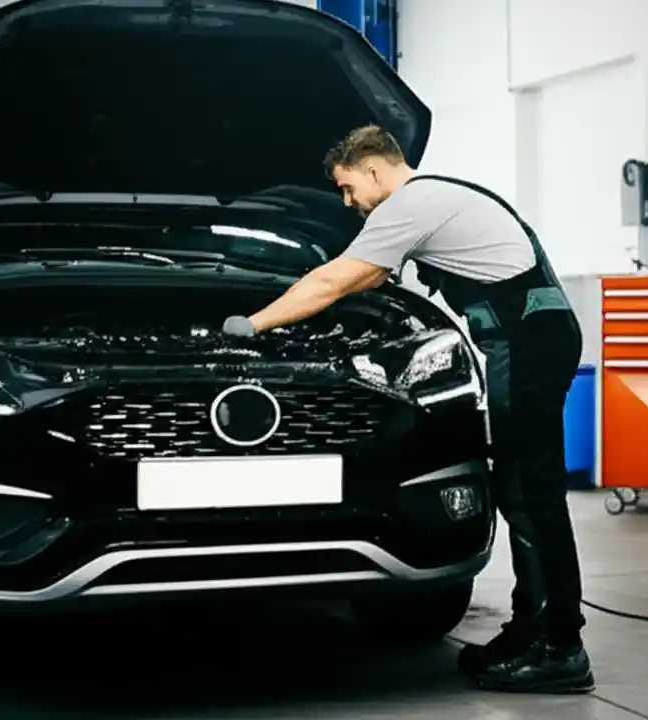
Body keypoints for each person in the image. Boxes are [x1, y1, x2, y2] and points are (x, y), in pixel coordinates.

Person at [222, 125, 591, 694]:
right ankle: (529, 629)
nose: (347, 203)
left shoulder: (414, 203)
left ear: (374, 169)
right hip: (528, 336)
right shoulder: (438, 199)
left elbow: (338, 279)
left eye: (348, 188)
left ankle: (562, 646)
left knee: (530, 490)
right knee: (519, 485)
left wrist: (254, 323)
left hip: (527, 340)